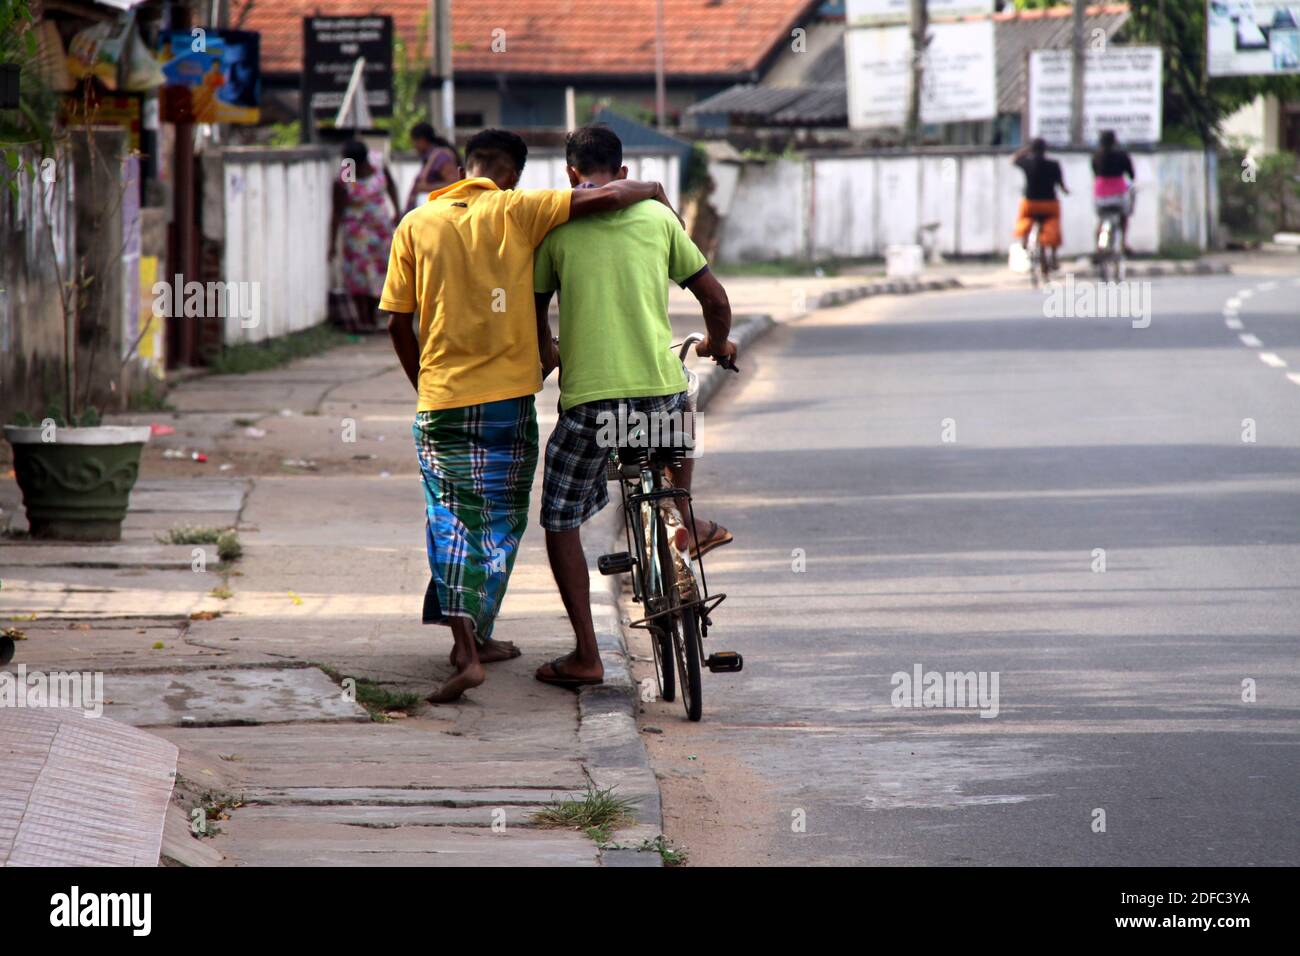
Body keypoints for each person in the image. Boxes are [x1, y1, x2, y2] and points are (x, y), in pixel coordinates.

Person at [378, 128, 680, 703]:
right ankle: (474, 639)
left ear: (464, 166)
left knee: (450, 514)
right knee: (499, 521)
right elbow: (605, 196)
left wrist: (424, 383)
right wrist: (651, 186)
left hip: (442, 399)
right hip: (510, 402)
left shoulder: (415, 224)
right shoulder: (518, 209)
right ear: (511, 173)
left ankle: (470, 645)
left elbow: (397, 321)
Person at [531, 125, 737, 690]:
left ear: (572, 175)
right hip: (657, 394)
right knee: (684, 397)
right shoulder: (660, 220)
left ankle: (587, 656)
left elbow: (534, 312)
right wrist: (718, 343)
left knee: (560, 519)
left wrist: (549, 353)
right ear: (622, 173)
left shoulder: (555, 226)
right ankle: (685, 518)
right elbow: (715, 299)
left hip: (592, 406)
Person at [330, 140, 400, 331]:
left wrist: (397, 210)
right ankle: (364, 319)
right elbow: (338, 207)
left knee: (381, 272)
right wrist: (332, 241)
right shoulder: (348, 172)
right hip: (357, 233)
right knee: (359, 276)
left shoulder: (377, 163)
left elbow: (391, 185)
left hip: (380, 229)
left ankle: (375, 315)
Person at [1011, 138, 1068, 272]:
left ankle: (1024, 239)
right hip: (1049, 204)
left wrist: (1025, 150)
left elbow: (1013, 160)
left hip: (1031, 204)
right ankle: (1053, 256)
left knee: (1024, 218)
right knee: (1054, 225)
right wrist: (1066, 191)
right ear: (1045, 150)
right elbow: (1062, 186)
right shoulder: (1054, 164)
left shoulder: (1027, 163)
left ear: (1032, 150)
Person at [1092, 129, 1136, 255]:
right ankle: (1123, 242)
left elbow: (1095, 173)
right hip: (1118, 195)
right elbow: (1132, 175)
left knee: (1101, 220)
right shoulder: (1122, 155)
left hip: (1100, 195)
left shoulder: (1096, 156)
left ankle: (1098, 248)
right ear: (1114, 141)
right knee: (1124, 216)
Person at [405, 121, 461, 212]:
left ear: (422, 140)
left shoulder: (441, 157)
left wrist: (425, 188)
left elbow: (453, 184)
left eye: (414, 142)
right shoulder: (429, 158)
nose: (414, 146)